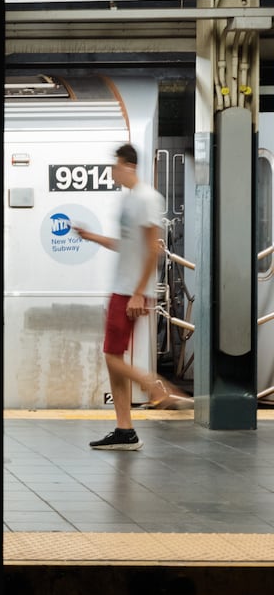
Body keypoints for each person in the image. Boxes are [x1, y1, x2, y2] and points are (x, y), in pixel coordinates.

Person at [73, 142, 193, 452]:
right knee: (114, 359)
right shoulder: (128, 202)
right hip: (122, 289)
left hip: (132, 292)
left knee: (112, 356)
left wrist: (139, 293)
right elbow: (124, 245)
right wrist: (91, 236)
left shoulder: (148, 199)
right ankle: (124, 430)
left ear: (128, 166)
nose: (112, 172)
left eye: (115, 166)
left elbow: (153, 249)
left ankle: (154, 386)